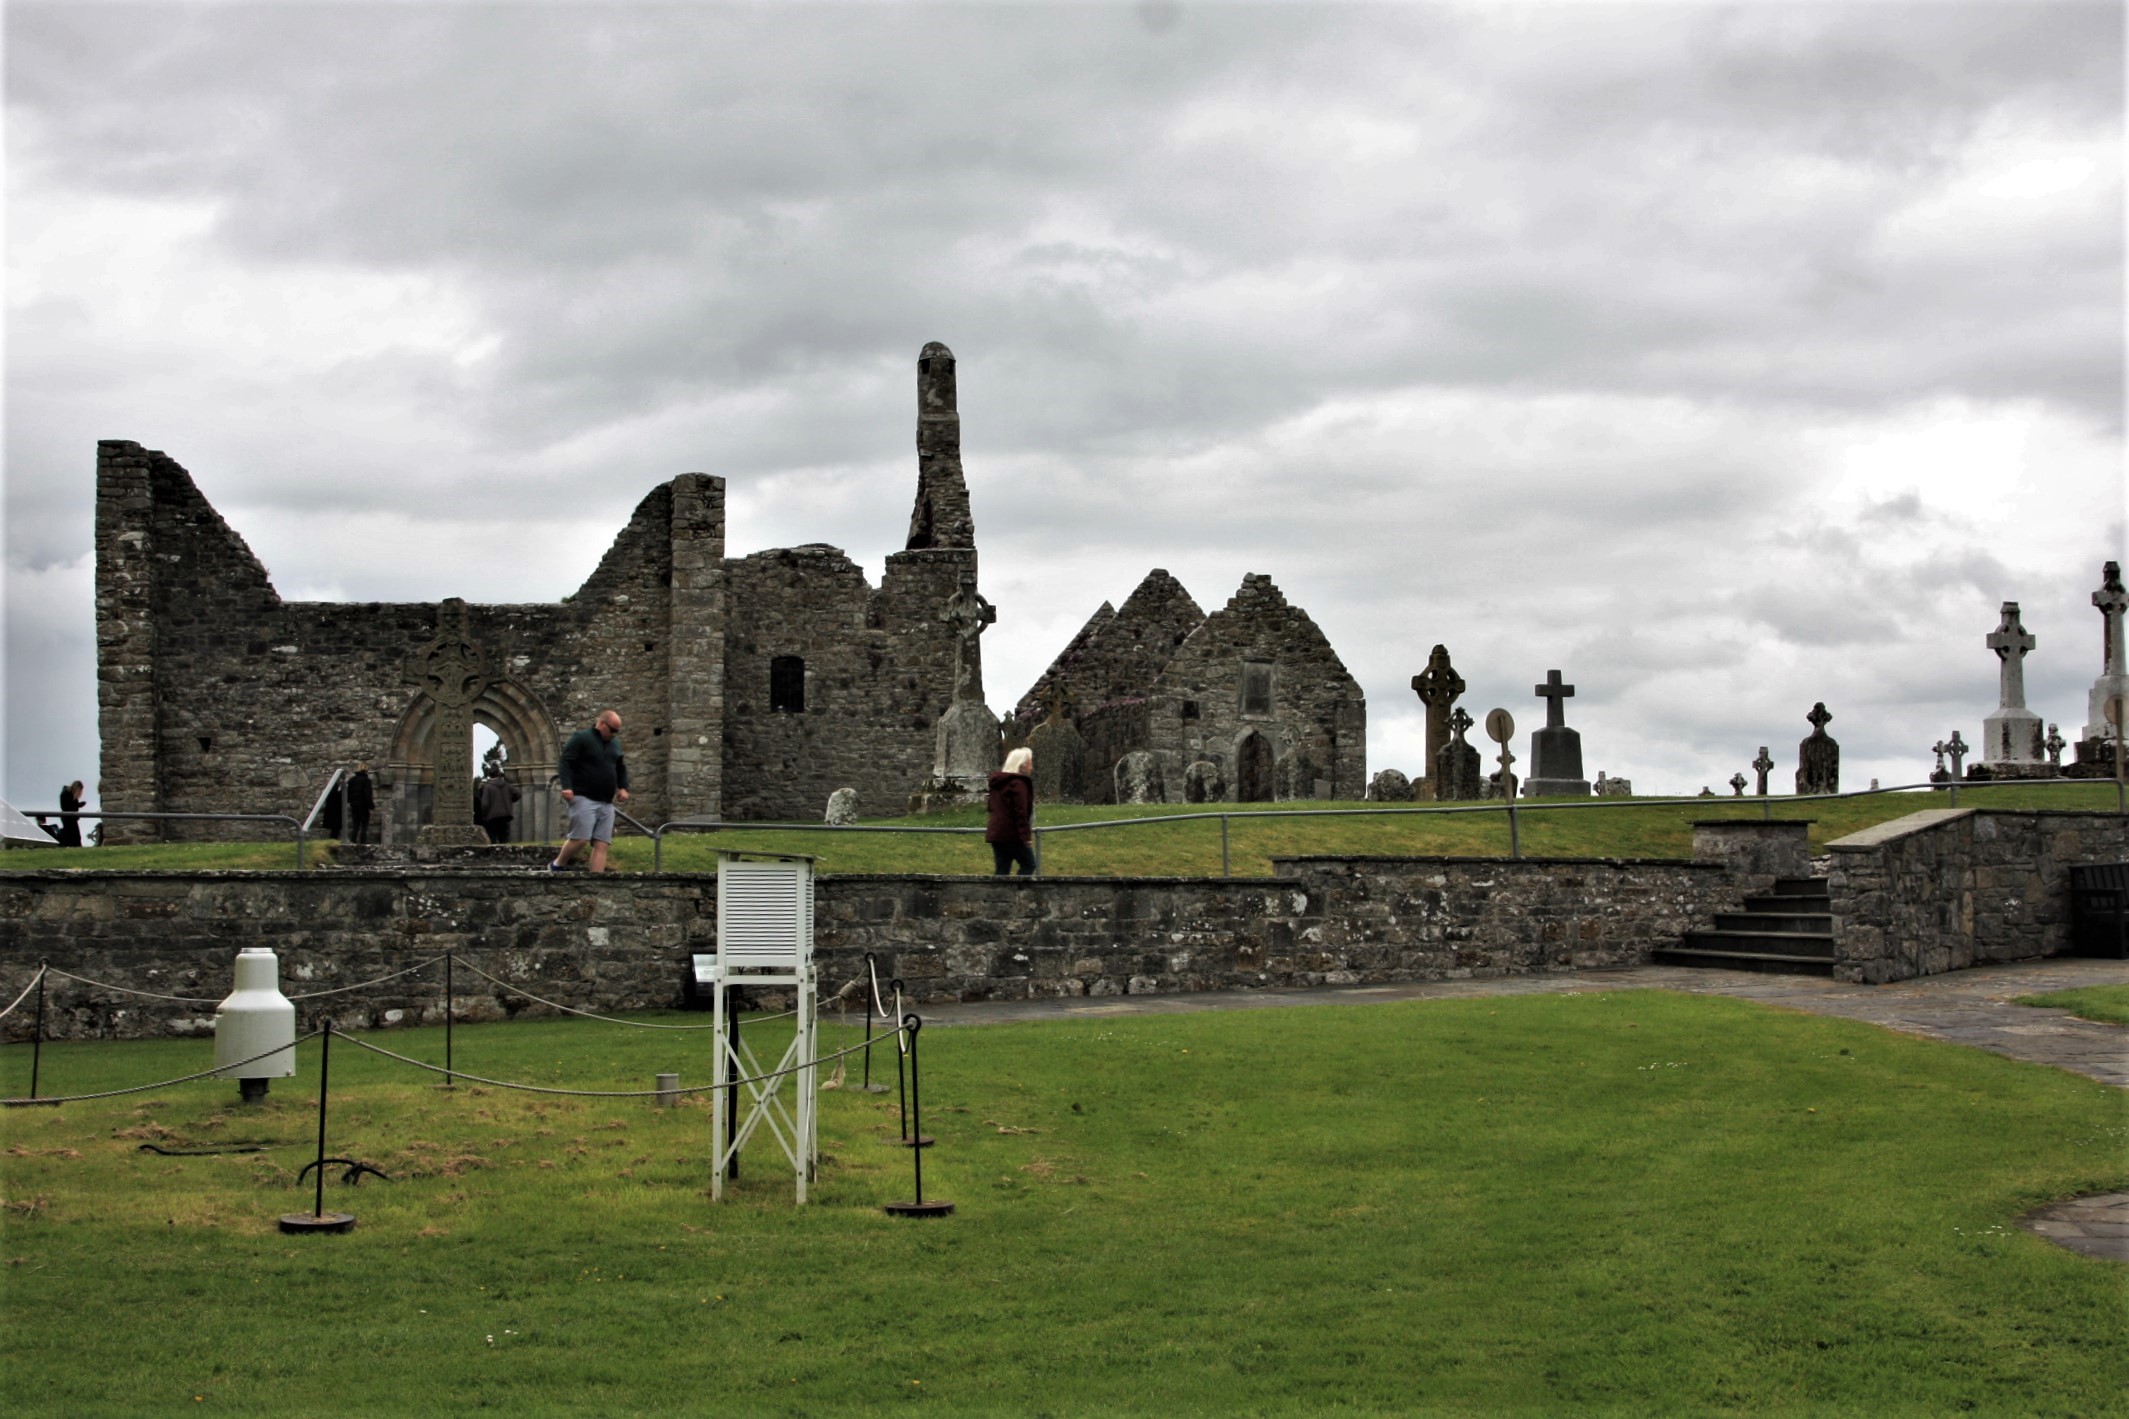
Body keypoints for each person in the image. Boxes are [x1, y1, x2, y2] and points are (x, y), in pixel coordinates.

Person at [551, 710, 629, 873]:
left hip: (606, 802)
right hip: (583, 796)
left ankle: (596, 881)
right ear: (601, 723)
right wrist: (566, 786)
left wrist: (623, 787)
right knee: (580, 839)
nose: (614, 734)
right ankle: (557, 864)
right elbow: (565, 762)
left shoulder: (615, 745)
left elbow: (620, 768)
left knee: (602, 843)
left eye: (617, 731)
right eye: (612, 730)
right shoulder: (582, 738)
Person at [986, 747, 1036, 875]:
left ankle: (999, 895)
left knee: (1002, 871)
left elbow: (991, 807)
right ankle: (1018, 893)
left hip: (996, 832)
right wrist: (1026, 836)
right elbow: (1021, 812)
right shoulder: (1019, 784)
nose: (1032, 768)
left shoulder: (998, 783)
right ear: (1022, 765)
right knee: (1029, 864)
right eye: (1030, 763)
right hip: (1012, 833)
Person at [476, 766, 520, 844]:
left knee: (492, 838)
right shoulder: (506, 785)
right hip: (505, 815)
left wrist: (484, 815)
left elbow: (485, 804)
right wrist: (509, 801)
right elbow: (518, 794)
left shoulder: (488, 787)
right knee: (503, 837)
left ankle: (494, 854)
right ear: (498, 774)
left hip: (492, 816)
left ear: (489, 775)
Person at [346, 764, 376, 844]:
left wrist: (350, 801)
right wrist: (371, 806)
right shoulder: (366, 781)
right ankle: (362, 842)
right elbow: (367, 795)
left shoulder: (352, 780)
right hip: (363, 806)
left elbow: (347, 793)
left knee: (355, 825)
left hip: (354, 805)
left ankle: (353, 841)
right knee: (364, 825)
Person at [57, 780, 85, 848]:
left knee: (75, 836)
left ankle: (74, 847)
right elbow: (66, 807)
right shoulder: (66, 794)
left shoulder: (69, 794)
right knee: (73, 836)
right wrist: (77, 806)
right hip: (68, 818)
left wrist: (78, 805)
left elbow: (70, 805)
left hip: (71, 818)